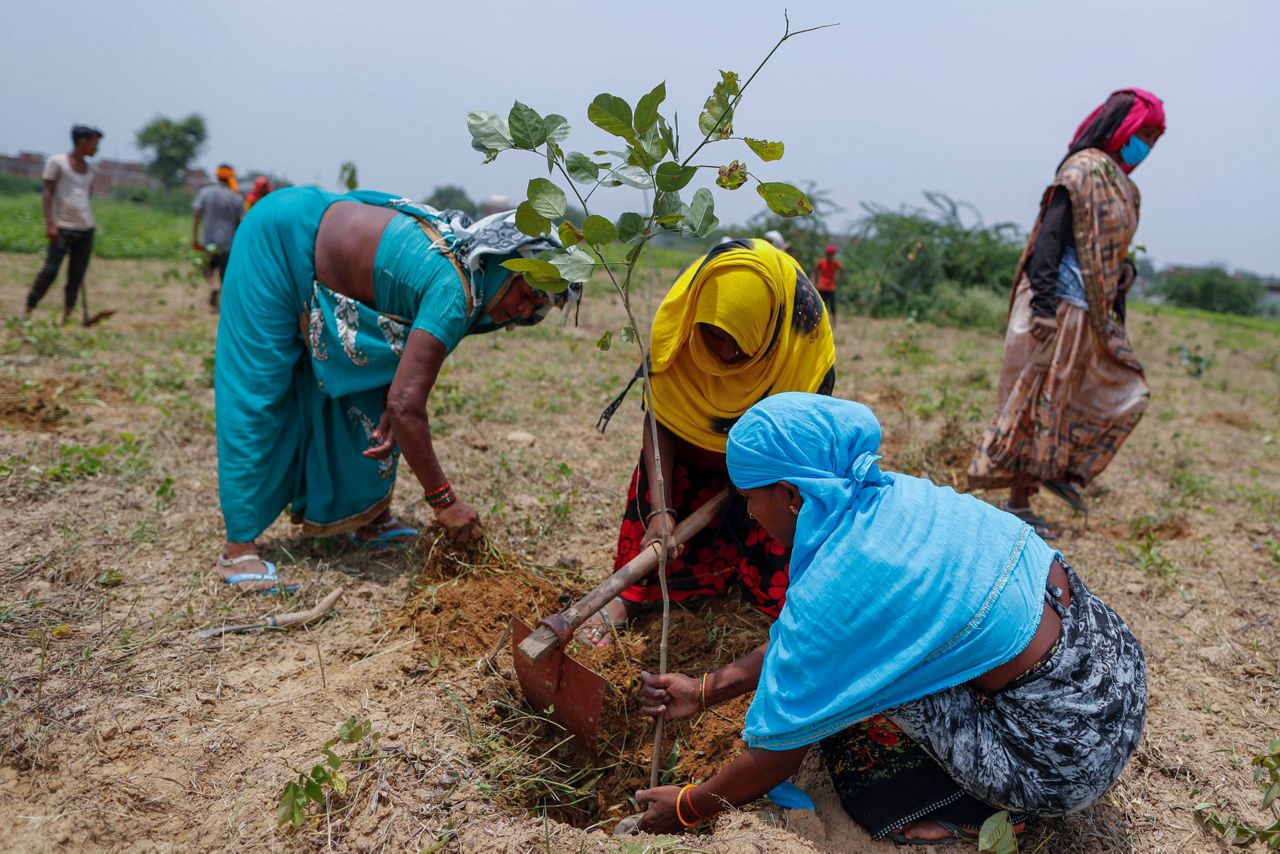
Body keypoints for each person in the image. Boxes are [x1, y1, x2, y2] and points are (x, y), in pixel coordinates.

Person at [635, 393, 1147, 843]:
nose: (748, 514)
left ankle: (967, 814)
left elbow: (777, 753)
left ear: (792, 496)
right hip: (1113, 670)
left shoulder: (841, 580)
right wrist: (704, 691)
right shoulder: (895, 497)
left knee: (861, 714)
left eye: (749, 498)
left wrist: (686, 807)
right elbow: (818, 639)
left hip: (1061, 763)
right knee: (878, 657)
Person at [214, 187, 580, 592]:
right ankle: (238, 548)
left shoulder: (477, 285)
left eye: (540, 307)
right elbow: (407, 407)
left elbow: (404, 383)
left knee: (373, 393)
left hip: (337, 256)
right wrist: (446, 503)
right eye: (526, 293)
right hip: (280, 239)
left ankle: (368, 521)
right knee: (259, 388)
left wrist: (398, 398)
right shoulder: (455, 289)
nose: (526, 310)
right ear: (503, 265)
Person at [582, 239, 835, 644]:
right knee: (655, 491)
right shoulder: (681, 328)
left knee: (783, 541)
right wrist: (661, 510)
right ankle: (631, 594)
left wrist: (752, 480)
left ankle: (765, 594)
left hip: (765, 472)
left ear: (767, 328)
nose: (721, 350)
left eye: (734, 338)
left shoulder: (799, 336)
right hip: (688, 464)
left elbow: (802, 441)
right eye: (712, 334)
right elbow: (660, 417)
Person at [968, 88, 1166, 538]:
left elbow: (1110, 253)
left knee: (1116, 394)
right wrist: (1041, 308)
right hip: (1055, 305)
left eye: (1155, 139)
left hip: (1088, 313)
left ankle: (1062, 473)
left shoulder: (1124, 186)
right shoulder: (1081, 170)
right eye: (1145, 134)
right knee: (1036, 402)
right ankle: (1019, 504)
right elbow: (1050, 239)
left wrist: (1126, 273)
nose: (1148, 147)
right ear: (1123, 129)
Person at [23, 124, 103, 324]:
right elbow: (48, 193)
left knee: (76, 275)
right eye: (94, 143)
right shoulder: (57, 163)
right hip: (62, 227)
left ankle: (66, 316)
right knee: (50, 271)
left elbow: (86, 198)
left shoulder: (91, 170)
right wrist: (50, 223)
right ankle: (28, 309)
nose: (96, 148)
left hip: (85, 229)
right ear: (82, 142)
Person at [192, 164, 244, 311]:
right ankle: (222, 296)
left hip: (208, 239)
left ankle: (212, 285)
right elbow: (239, 222)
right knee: (224, 272)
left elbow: (197, 216)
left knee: (206, 268)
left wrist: (195, 238)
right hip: (228, 241)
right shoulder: (235, 197)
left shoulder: (205, 192)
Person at [811, 243, 841, 322]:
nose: (832, 256)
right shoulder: (821, 262)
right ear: (827, 254)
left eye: (833, 254)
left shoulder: (835, 263)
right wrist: (814, 282)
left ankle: (834, 322)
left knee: (832, 307)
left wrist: (839, 280)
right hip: (822, 287)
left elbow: (842, 270)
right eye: (831, 254)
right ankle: (821, 322)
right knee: (822, 307)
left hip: (831, 288)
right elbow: (815, 270)